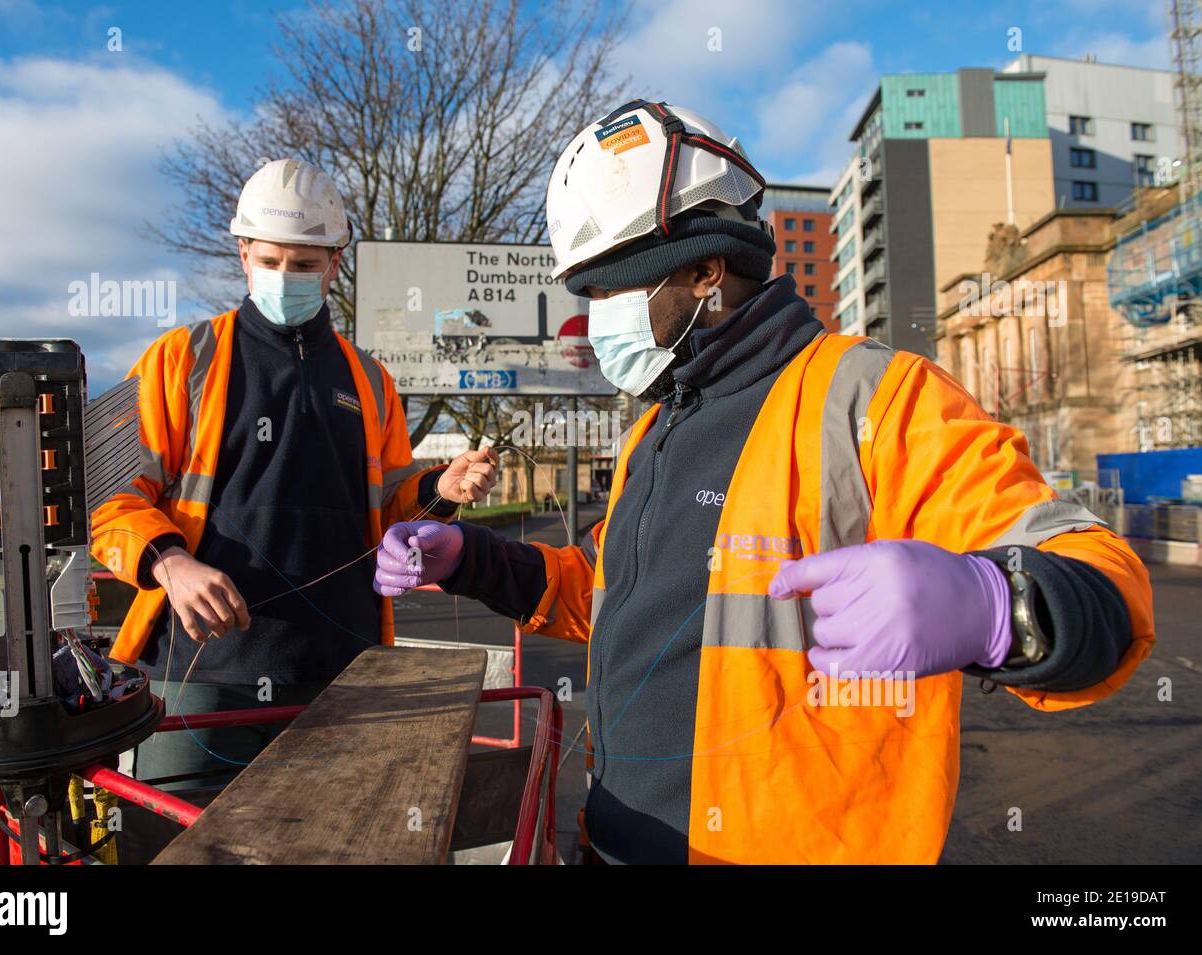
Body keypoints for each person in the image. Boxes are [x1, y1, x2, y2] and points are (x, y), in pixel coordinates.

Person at [373, 102, 1155, 864]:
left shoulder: (878, 399)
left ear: (707, 270)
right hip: (615, 839)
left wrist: (991, 602)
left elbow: (1103, 580)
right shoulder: (658, 427)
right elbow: (608, 592)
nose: (593, 318)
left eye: (611, 289)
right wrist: (466, 557)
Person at [92, 158, 499, 789]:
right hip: (203, 676)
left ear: (335, 263)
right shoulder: (178, 359)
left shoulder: (369, 379)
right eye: (272, 260)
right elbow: (107, 494)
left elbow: (390, 508)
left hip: (343, 668)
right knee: (187, 851)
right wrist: (172, 564)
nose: (287, 276)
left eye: (306, 264)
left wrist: (439, 491)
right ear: (243, 253)